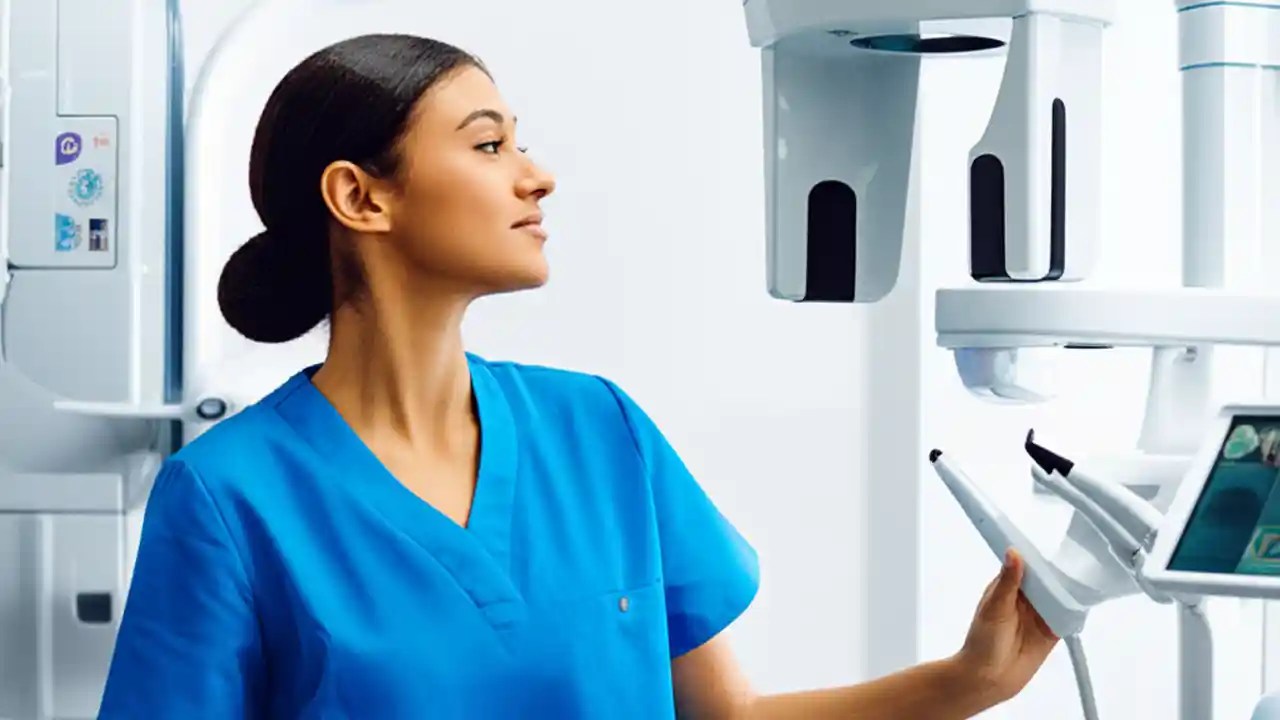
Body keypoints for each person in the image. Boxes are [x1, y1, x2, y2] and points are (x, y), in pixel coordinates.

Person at [98, 33, 1058, 719]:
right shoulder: (229, 496)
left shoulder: (601, 430)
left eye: (519, 141)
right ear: (361, 195)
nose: (536, 175)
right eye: (487, 144)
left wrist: (966, 683)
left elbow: (724, 718)